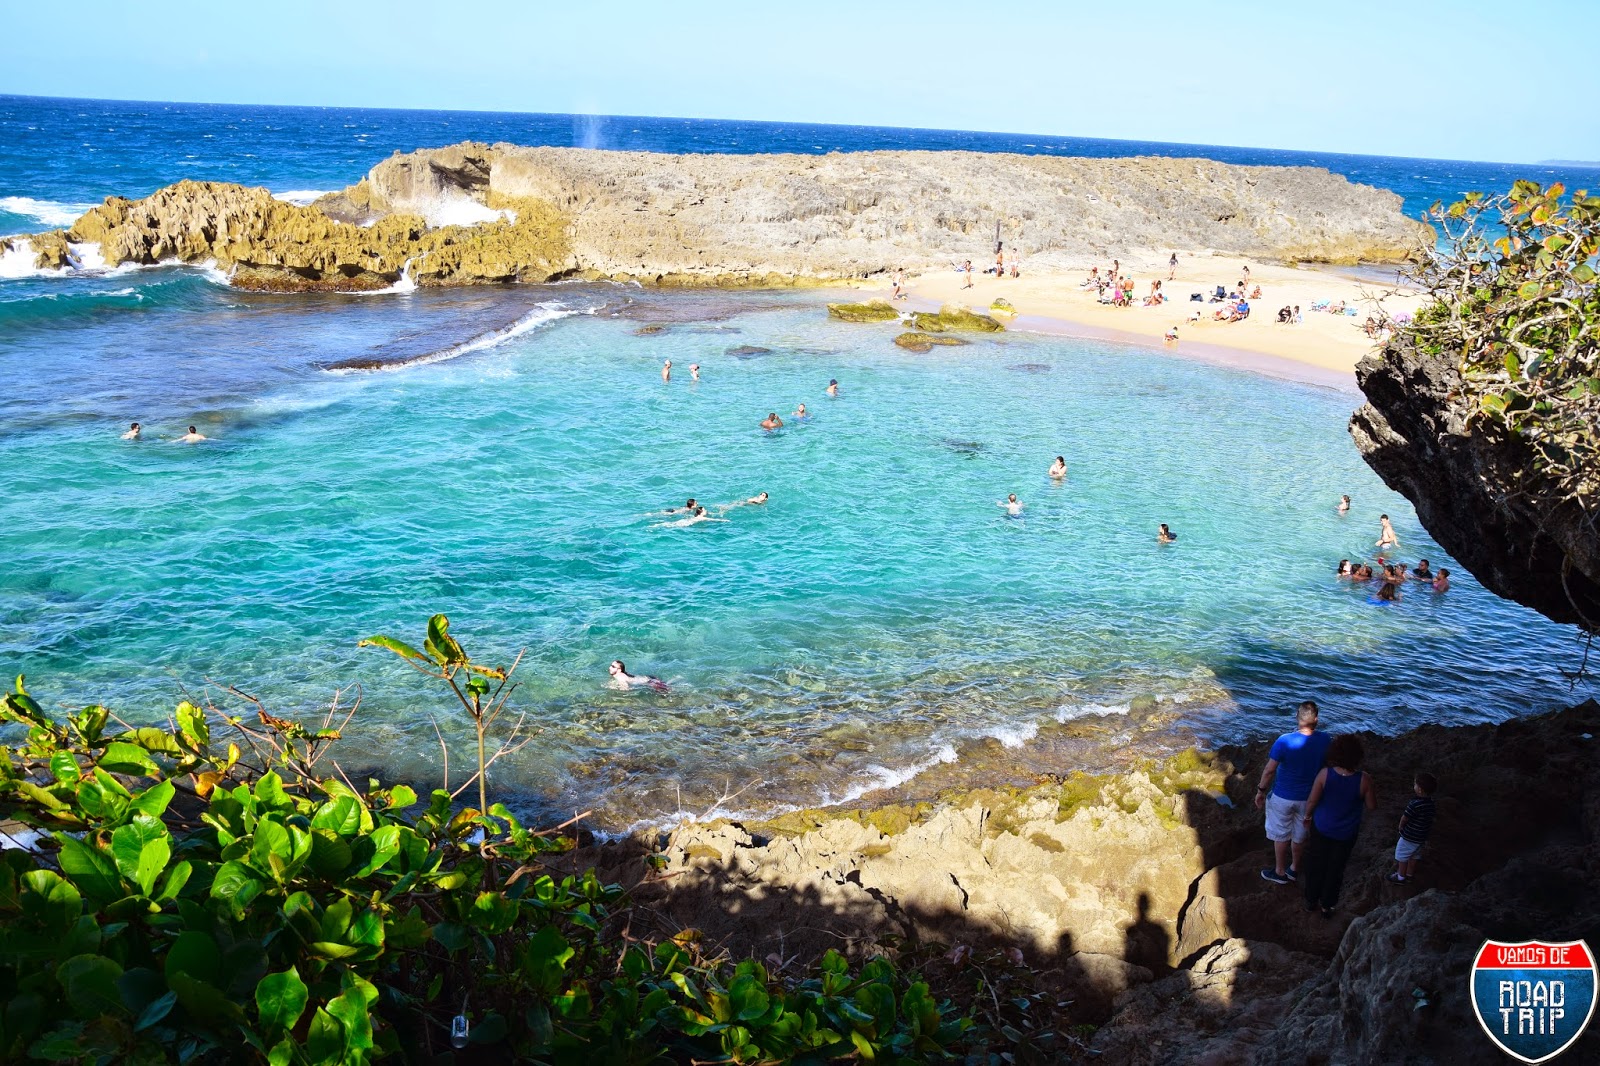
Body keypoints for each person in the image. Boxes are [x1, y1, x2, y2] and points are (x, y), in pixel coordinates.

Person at [1300, 734, 1377, 917]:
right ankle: (1327, 906)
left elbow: (1312, 801)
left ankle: (1311, 901)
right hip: (1346, 832)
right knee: (1336, 868)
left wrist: (1307, 816)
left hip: (1322, 826)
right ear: (1357, 756)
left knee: (1316, 864)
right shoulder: (1364, 779)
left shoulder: (1325, 774)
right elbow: (1372, 806)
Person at [1256, 701, 1332, 886]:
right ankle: (1295, 869)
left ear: (1297, 718)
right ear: (1316, 719)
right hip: (1309, 798)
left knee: (1281, 835)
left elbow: (1269, 770)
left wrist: (1260, 791)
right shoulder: (1325, 740)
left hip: (1282, 796)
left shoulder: (1284, 741)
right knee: (1300, 835)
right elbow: (1328, 767)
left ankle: (1280, 871)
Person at [1389, 771, 1437, 884]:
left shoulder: (1414, 804)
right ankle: (1409, 874)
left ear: (1419, 789)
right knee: (1414, 855)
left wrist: (1401, 826)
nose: (1414, 786)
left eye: (1415, 784)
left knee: (1402, 855)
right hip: (1421, 837)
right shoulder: (1431, 803)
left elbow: (1405, 818)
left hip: (1409, 836)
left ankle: (1401, 877)